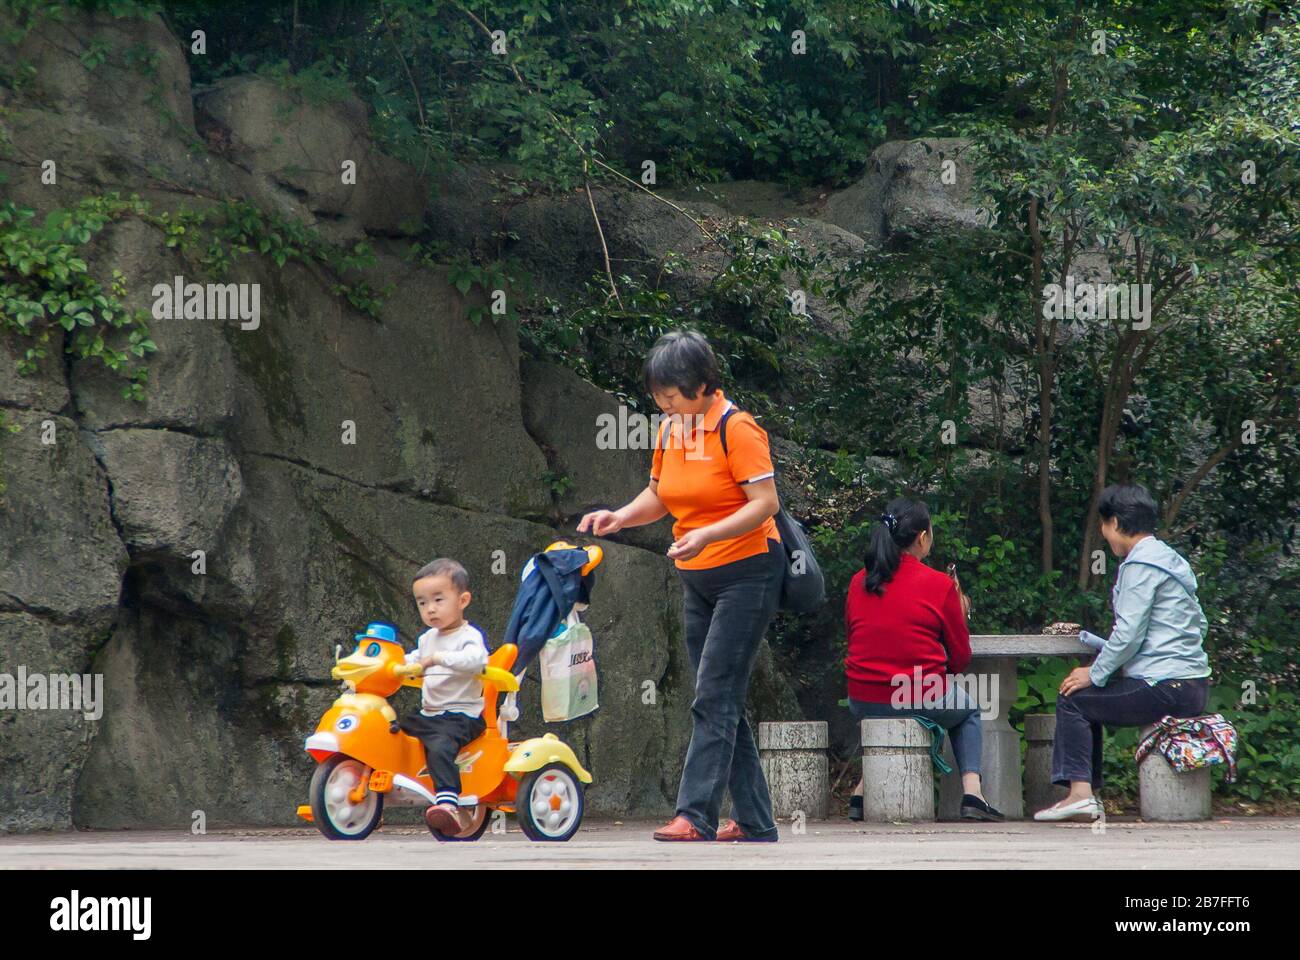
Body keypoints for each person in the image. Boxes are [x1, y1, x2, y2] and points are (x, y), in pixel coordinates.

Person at [578, 330, 783, 842]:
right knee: (719, 696)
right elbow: (660, 494)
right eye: (658, 396)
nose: (664, 404)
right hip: (698, 575)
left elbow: (765, 504)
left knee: (714, 694)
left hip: (749, 570)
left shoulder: (737, 429)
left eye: (672, 395)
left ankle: (694, 815)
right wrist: (618, 517)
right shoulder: (672, 431)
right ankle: (757, 823)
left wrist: (707, 534)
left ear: (705, 385)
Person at [1034, 484, 1212, 821]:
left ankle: (1080, 794)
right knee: (1091, 698)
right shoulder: (1171, 560)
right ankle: (1085, 794)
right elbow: (1195, 625)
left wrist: (1095, 672)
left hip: (1163, 687)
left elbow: (1129, 634)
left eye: (1103, 525)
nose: (1103, 534)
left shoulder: (1139, 565)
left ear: (1114, 522)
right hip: (1193, 686)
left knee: (1074, 697)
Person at [845, 497, 1004, 821]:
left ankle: (862, 792)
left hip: (862, 696)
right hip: (916, 693)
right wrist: (960, 611)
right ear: (922, 537)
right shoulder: (940, 585)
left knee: (895, 710)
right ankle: (973, 793)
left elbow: (858, 638)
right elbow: (960, 659)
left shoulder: (858, 581)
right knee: (969, 709)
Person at [400, 557, 490, 835]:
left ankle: (449, 801)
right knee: (393, 728)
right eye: (422, 602)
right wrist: (394, 666)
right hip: (431, 714)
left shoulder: (468, 635)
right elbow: (413, 659)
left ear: (462, 600)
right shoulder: (427, 639)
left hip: (462, 716)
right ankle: (376, 789)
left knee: (440, 744)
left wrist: (438, 659)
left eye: (438, 600)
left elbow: (477, 660)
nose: (430, 609)